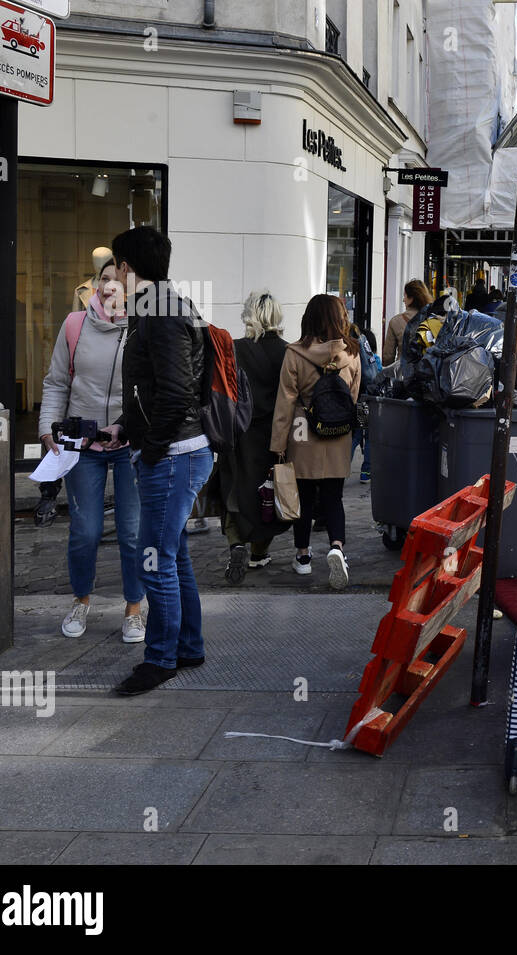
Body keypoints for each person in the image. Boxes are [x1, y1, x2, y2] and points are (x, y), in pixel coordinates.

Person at [104, 226, 213, 696]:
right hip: (175, 451)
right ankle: (187, 646)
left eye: (117, 269)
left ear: (128, 268)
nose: (114, 279)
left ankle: (160, 659)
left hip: (173, 456)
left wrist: (149, 451)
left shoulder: (161, 311)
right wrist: (126, 429)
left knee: (154, 561)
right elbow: (153, 391)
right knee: (174, 558)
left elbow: (174, 392)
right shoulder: (162, 305)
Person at [38, 255, 145, 643]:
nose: (110, 285)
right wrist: (47, 429)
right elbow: (56, 383)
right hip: (82, 445)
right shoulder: (74, 325)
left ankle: (134, 608)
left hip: (129, 444)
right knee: (85, 530)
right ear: (96, 283)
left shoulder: (142, 330)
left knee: (133, 532)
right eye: (105, 278)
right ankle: (81, 599)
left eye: (119, 280)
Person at [270, 294, 361, 590]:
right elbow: (354, 396)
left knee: (304, 498)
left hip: (302, 431)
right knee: (334, 497)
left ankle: (303, 557)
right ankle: (337, 547)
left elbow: (286, 402)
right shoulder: (352, 352)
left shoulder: (295, 353)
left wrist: (278, 444)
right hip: (339, 432)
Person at [219, 291, 291, 585]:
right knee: (268, 496)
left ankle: (236, 544)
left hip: (239, 434)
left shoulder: (234, 349)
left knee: (233, 491)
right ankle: (259, 552)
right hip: (273, 436)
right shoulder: (288, 351)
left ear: (248, 315)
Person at [349, 321, 379, 482]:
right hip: (366, 397)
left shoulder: (352, 345)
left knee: (355, 435)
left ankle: (343, 468)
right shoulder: (363, 343)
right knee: (368, 436)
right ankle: (366, 472)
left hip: (358, 397)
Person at [383, 279, 433, 368]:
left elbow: (388, 357)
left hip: (404, 374)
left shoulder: (395, 322)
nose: (403, 300)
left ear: (411, 299)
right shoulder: (433, 319)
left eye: (405, 296)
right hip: (429, 374)